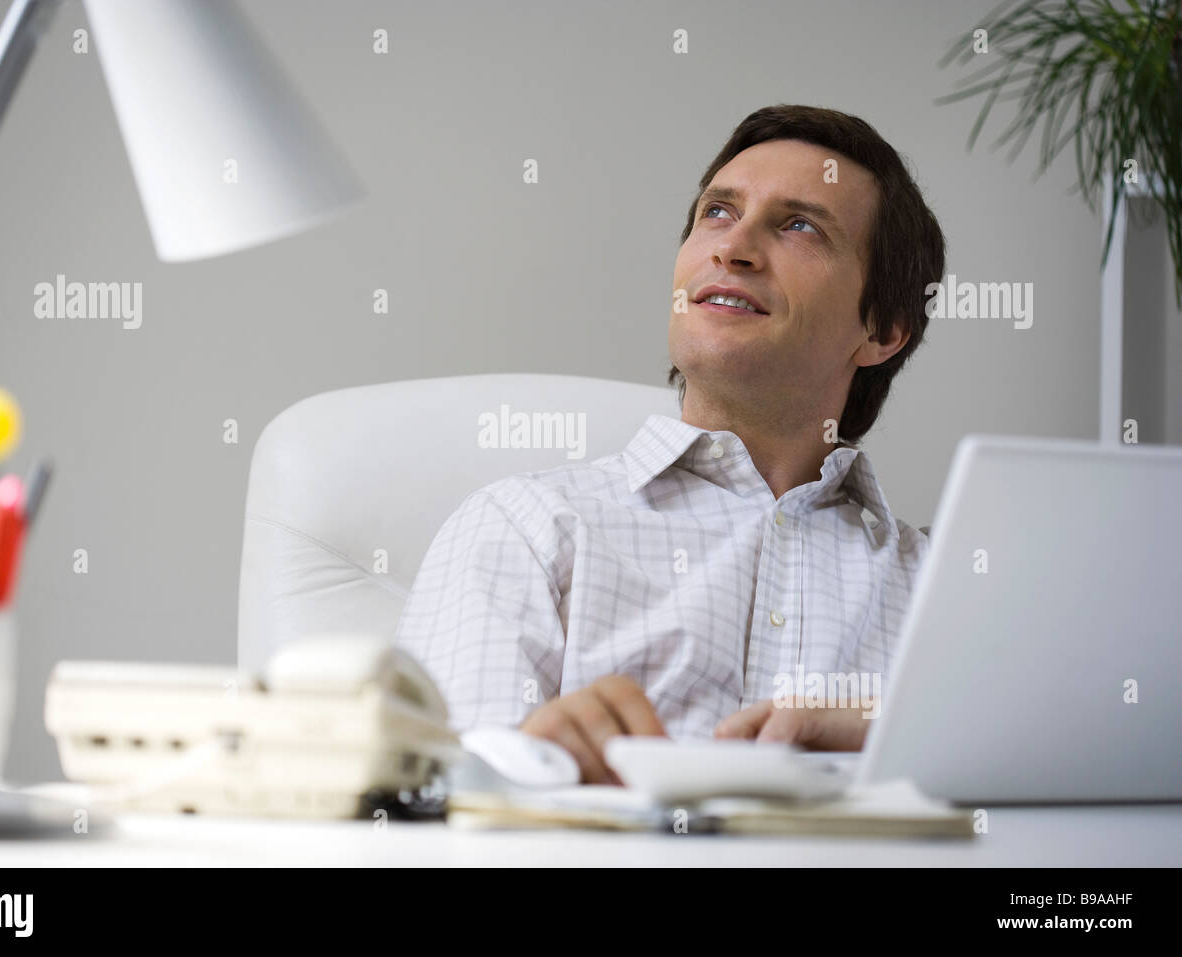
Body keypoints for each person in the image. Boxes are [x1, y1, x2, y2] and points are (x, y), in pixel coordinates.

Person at [394, 104, 946, 784]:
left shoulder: (944, 591)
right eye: (718, 212)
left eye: (798, 225)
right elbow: (433, 817)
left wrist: (909, 741)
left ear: (884, 328)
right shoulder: (524, 528)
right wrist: (526, 776)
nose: (732, 247)